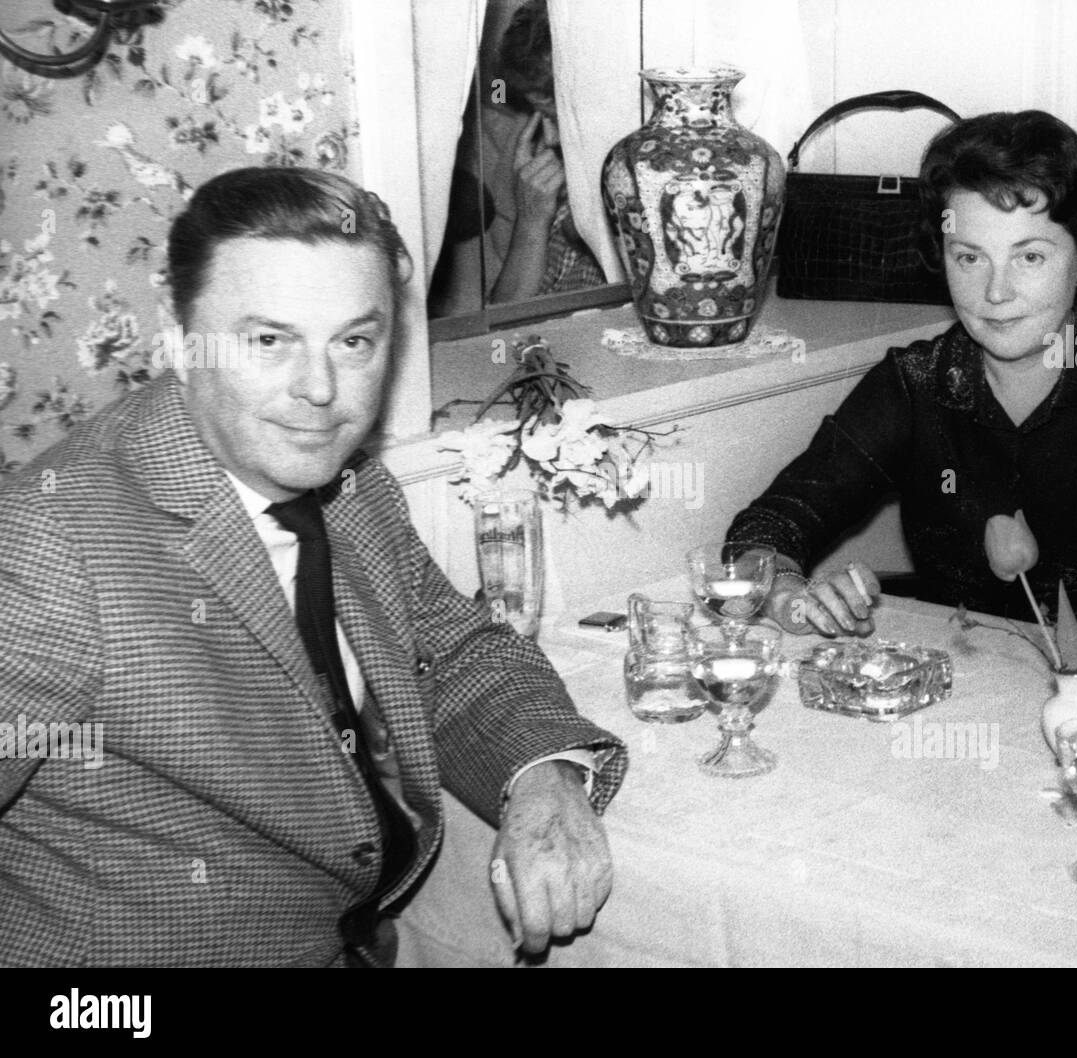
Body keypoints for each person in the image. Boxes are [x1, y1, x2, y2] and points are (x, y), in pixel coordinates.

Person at [0, 166, 626, 967]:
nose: (322, 390)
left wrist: (544, 777)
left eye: (354, 341)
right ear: (178, 338)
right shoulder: (49, 546)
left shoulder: (349, 485)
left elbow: (452, 656)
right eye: (269, 341)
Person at [728, 109, 1077, 645]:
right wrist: (784, 591)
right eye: (970, 258)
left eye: (1029, 256)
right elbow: (769, 525)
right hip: (963, 682)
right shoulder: (913, 384)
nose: (995, 292)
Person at [427, 0, 605, 316]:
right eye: (539, 114)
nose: (549, 138)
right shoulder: (544, 177)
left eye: (557, 117)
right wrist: (532, 219)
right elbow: (504, 328)